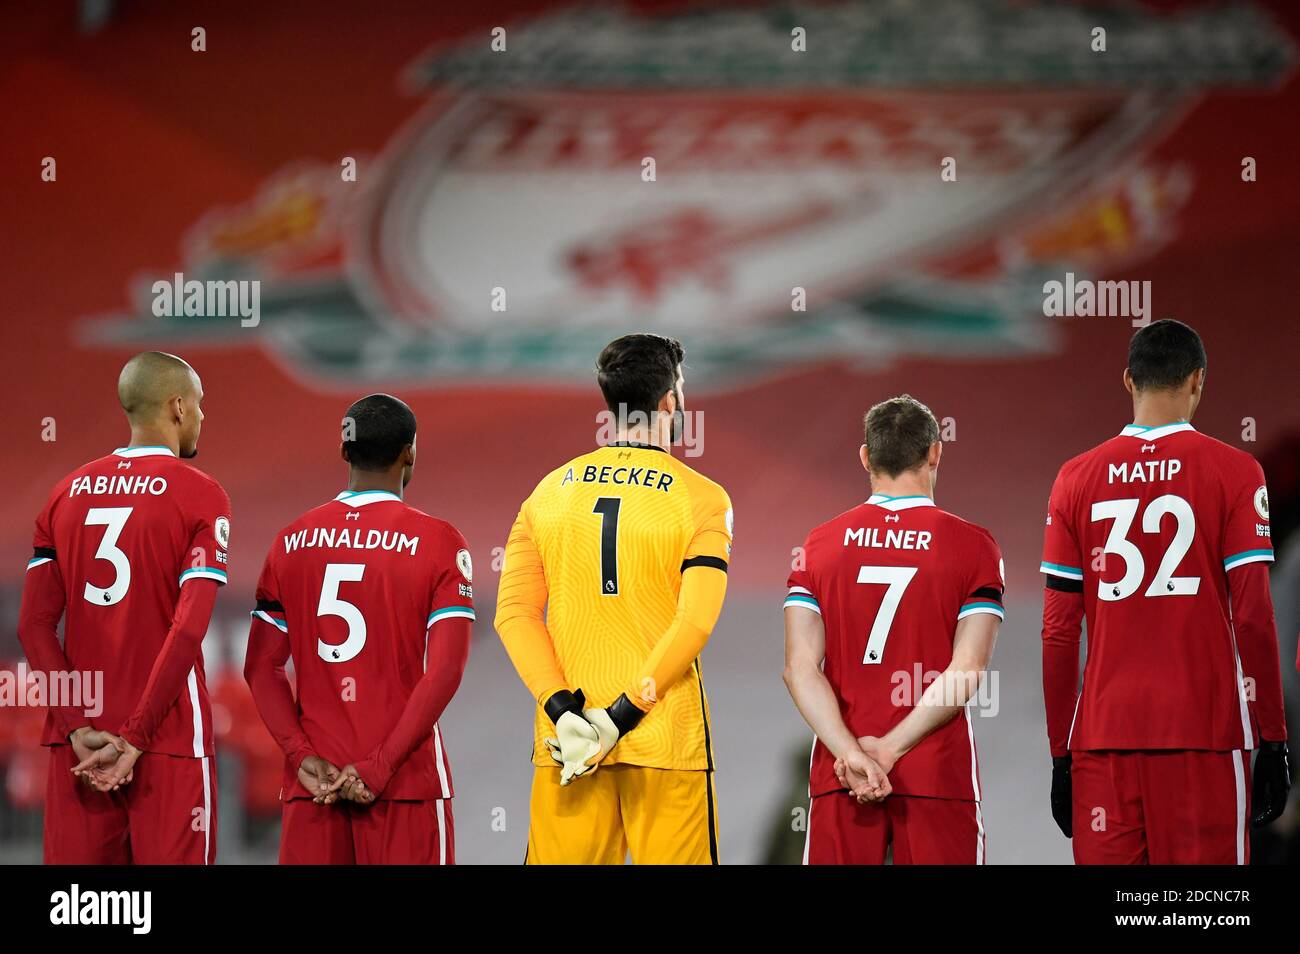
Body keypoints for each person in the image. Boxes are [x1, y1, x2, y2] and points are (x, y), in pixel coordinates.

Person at [1041, 319, 1290, 864]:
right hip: (1204, 732)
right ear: (1198, 381)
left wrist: (1061, 753)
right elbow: (1253, 618)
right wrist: (1273, 736)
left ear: (1129, 381)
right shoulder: (1236, 471)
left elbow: (1059, 633)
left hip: (1104, 739)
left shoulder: (1075, 478)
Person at [495, 333, 733, 864]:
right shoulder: (703, 498)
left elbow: (513, 615)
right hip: (663, 741)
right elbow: (695, 621)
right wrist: (621, 717)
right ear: (670, 400)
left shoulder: (547, 491)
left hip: (570, 747)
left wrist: (564, 711)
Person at [18, 351, 230, 864]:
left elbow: (34, 626)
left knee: (84, 912)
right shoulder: (201, 495)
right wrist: (136, 736)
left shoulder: (65, 494)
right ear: (178, 407)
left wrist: (74, 726)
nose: (203, 416)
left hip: (80, 747)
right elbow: (186, 631)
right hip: (172, 738)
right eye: (200, 405)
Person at [243, 394, 471, 864]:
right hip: (405, 788)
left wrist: (300, 756)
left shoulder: (291, 542)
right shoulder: (438, 542)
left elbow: (261, 668)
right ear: (409, 452)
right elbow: (445, 670)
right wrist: (380, 765)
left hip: (314, 788)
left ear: (345, 451)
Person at [784, 394, 1002, 864]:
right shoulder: (973, 546)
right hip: (935, 774)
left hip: (841, 776)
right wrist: (890, 749)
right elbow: (967, 669)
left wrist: (853, 754)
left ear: (866, 457)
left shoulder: (819, 545)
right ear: (935, 452)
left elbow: (800, 669)